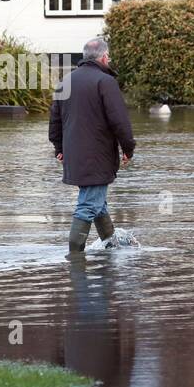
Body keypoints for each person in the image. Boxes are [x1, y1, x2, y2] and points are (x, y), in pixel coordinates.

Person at [49, 37, 136, 254]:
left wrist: (59, 148)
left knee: (97, 202)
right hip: (98, 156)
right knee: (88, 205)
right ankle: (74, 257)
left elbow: (55, 121)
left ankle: (111, 246)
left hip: (74, 156)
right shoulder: (105, 82)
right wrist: (128, 148)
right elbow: (120, 121)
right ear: (105, 57)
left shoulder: (65, 82)